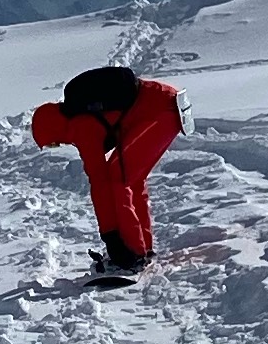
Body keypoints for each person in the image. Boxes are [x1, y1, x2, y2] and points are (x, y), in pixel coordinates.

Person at [30, 61, 182, 272]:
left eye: (52, 142)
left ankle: (133, 255)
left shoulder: (80, 126)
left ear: (52, 128)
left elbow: (99, 182)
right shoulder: (81, 117)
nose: (59, 145)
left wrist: (111, 237)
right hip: (167, 102)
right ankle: (142, 248)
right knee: (130, 179)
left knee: (117, 179)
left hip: (160, 111)